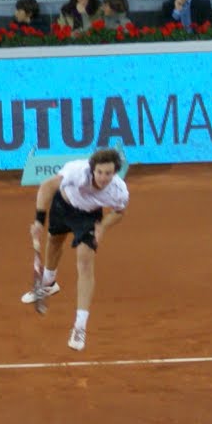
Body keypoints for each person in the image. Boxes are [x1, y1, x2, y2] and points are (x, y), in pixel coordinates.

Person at [23, 147, 130, 351]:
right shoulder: (77, 171)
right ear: (92, 169)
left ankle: (80, 327)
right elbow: (47, 186)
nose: (103, 177)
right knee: (54, 240)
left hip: (88, 218)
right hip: (63, 206)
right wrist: (38, 221)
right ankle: (48, 284)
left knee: (85, 262)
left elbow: (119, 212)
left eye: (108, 173)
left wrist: (102, 226)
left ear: (115, 172)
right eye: (100, 172)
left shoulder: (119, 190)